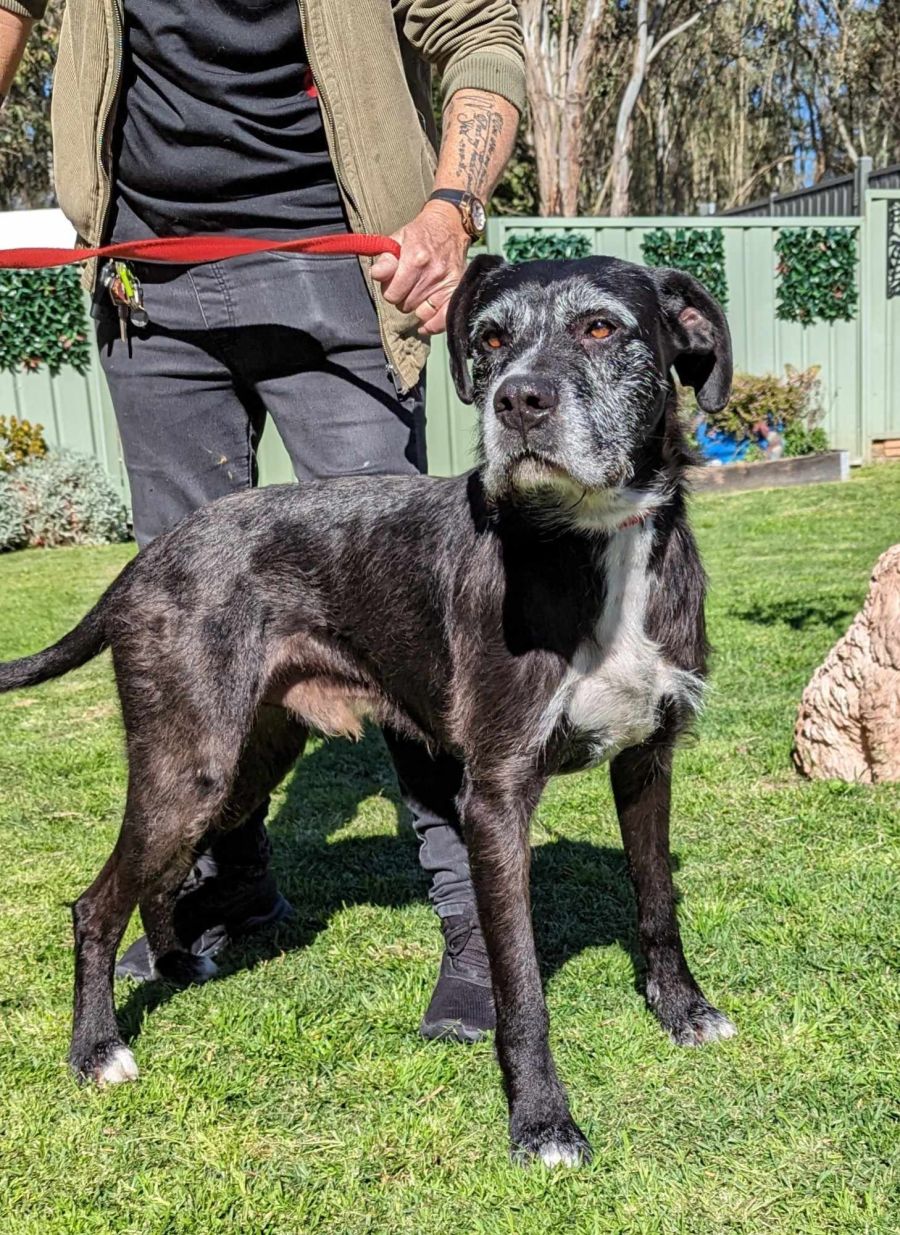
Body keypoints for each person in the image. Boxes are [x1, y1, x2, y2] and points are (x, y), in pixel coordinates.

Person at [0, 0, 525, 1043]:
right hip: (148, 281)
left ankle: (477, 931)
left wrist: (451, 206)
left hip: (343, 263)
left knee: (405, 616)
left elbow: (483, 33)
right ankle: (224, 892)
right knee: (196, 636)